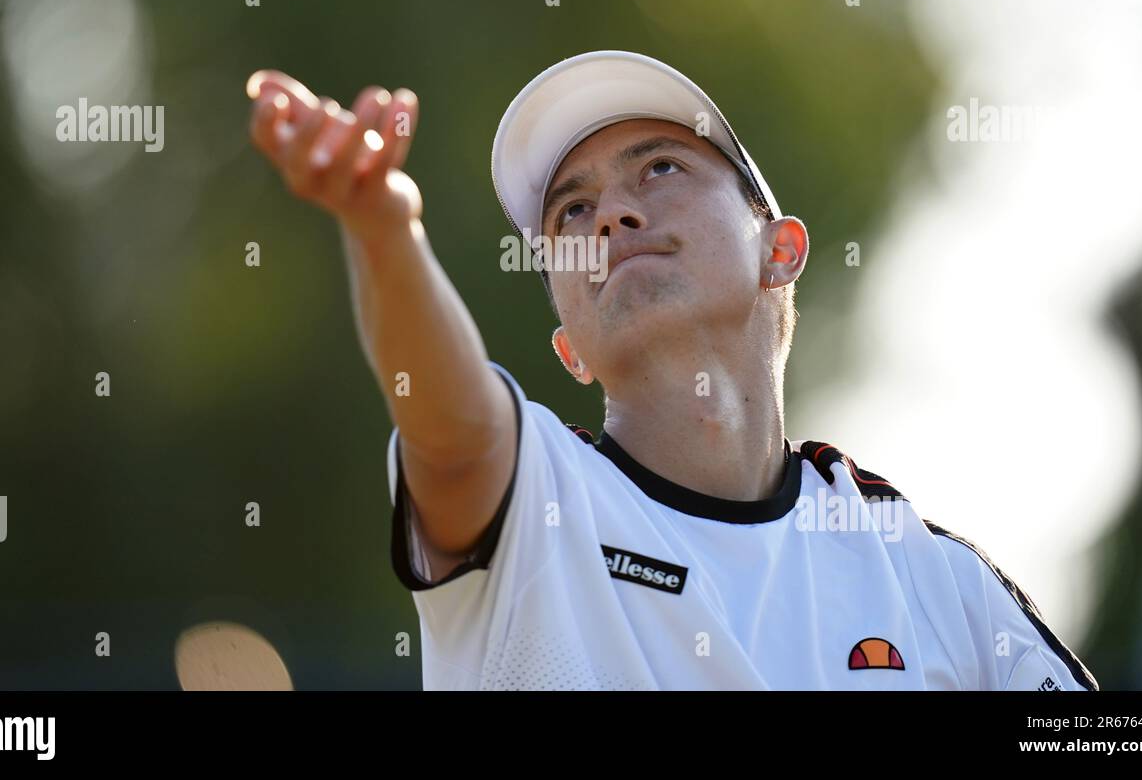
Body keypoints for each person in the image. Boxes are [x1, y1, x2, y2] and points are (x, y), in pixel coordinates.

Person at [245, 49, 1098, 691]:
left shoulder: (934, 581)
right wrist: (381, 231)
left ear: (781, 250)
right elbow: (454, 432)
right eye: (571, 210)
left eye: (660, 166)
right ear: (568, 348)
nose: (611, 212)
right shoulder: (536, 504)